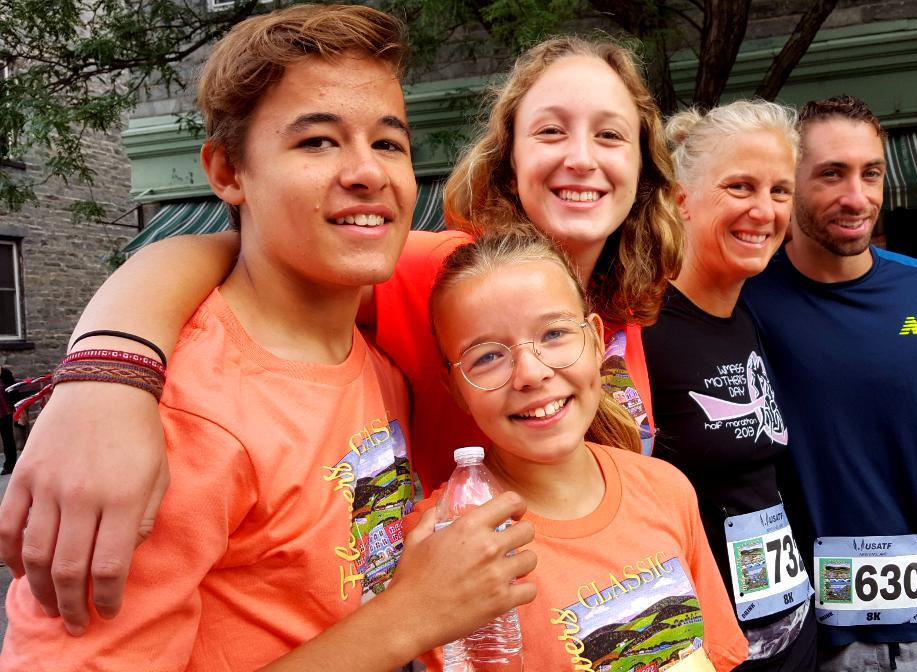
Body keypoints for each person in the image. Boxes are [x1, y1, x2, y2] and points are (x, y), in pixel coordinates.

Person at [0, 34, 682, 635]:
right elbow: (242, 257)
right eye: (551, 132)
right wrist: (110, 370)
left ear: (645, 165)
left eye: (611, 135)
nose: (583, 159)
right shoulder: (437, 274)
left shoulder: (624, 310)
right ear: (506, 158)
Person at [739, 94, 917, 669]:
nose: (857, 197)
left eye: (870, 173)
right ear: (789, 180)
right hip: (802, 635)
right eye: (831, 174)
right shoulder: (741, 298)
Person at [413, 229, 748, 671]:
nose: (531, 374)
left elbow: (717, 656)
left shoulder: (665, 488)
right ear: (457, 391)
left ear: (594, 340)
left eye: (554, 333)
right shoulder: (446, 542)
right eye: (488, 357)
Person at [643, 100, 816, 670]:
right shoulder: (641, 332)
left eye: (780, 191)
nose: (764, 211)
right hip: (708, 650)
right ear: (681, 199)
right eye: (740, 186)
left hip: (791, 636)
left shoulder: (748, 313)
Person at [0, 365, 16, 475]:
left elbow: (13, 389)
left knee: (8, 438)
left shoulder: (5, 373)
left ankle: (10, 465)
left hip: (4, 411)